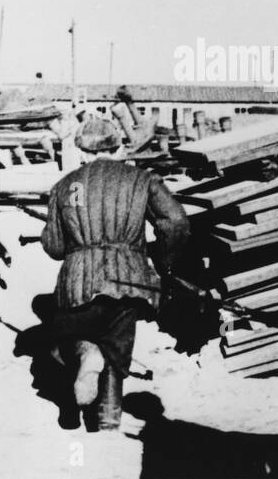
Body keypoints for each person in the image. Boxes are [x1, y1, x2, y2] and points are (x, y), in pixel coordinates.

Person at [40, 117, 190, 430]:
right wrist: (164, 262)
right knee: (117, 345)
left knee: (64, 338)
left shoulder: (66, 185)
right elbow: (175, 222)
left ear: (81, 150)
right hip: (129, 278)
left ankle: (85, 352)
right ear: (118, 145)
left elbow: (54, 247)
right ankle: (108, 419)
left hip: (78, 280)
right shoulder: (142, 179)